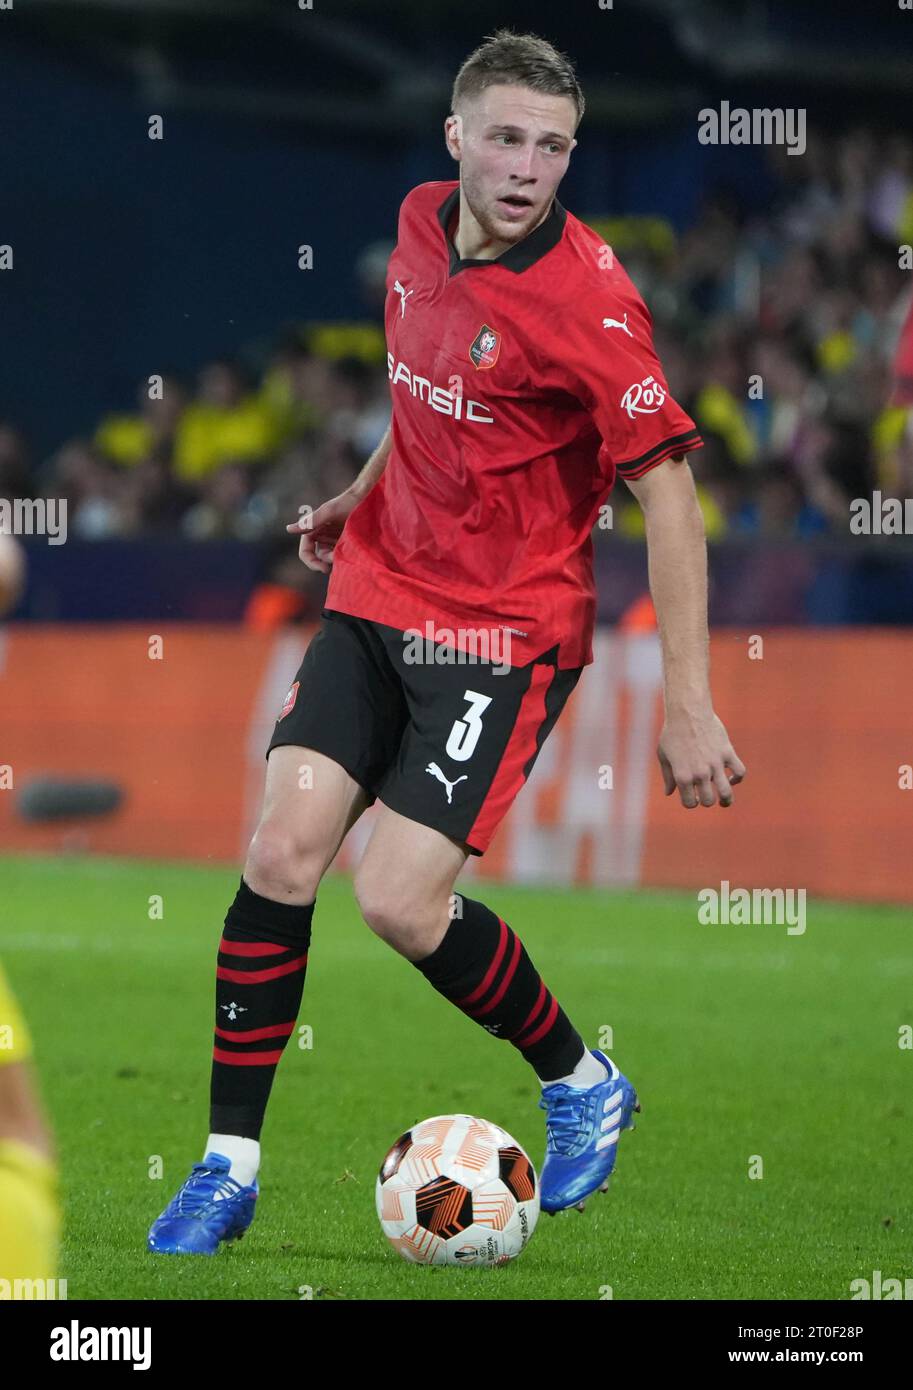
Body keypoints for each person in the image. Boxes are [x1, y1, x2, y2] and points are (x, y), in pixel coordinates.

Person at [148, 28, 745, 1256]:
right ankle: (226, 1165)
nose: (528, 166)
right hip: (375, 594)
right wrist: (361, 495)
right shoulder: (418, 228)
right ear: (456, 140)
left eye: (555, 146)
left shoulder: (590, 303)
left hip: (500, 631)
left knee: (401, 901)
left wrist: (688, 695)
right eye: (508, 137)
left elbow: (671, 493)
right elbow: (423, 394)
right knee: (278, 850)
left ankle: (582, 1080)